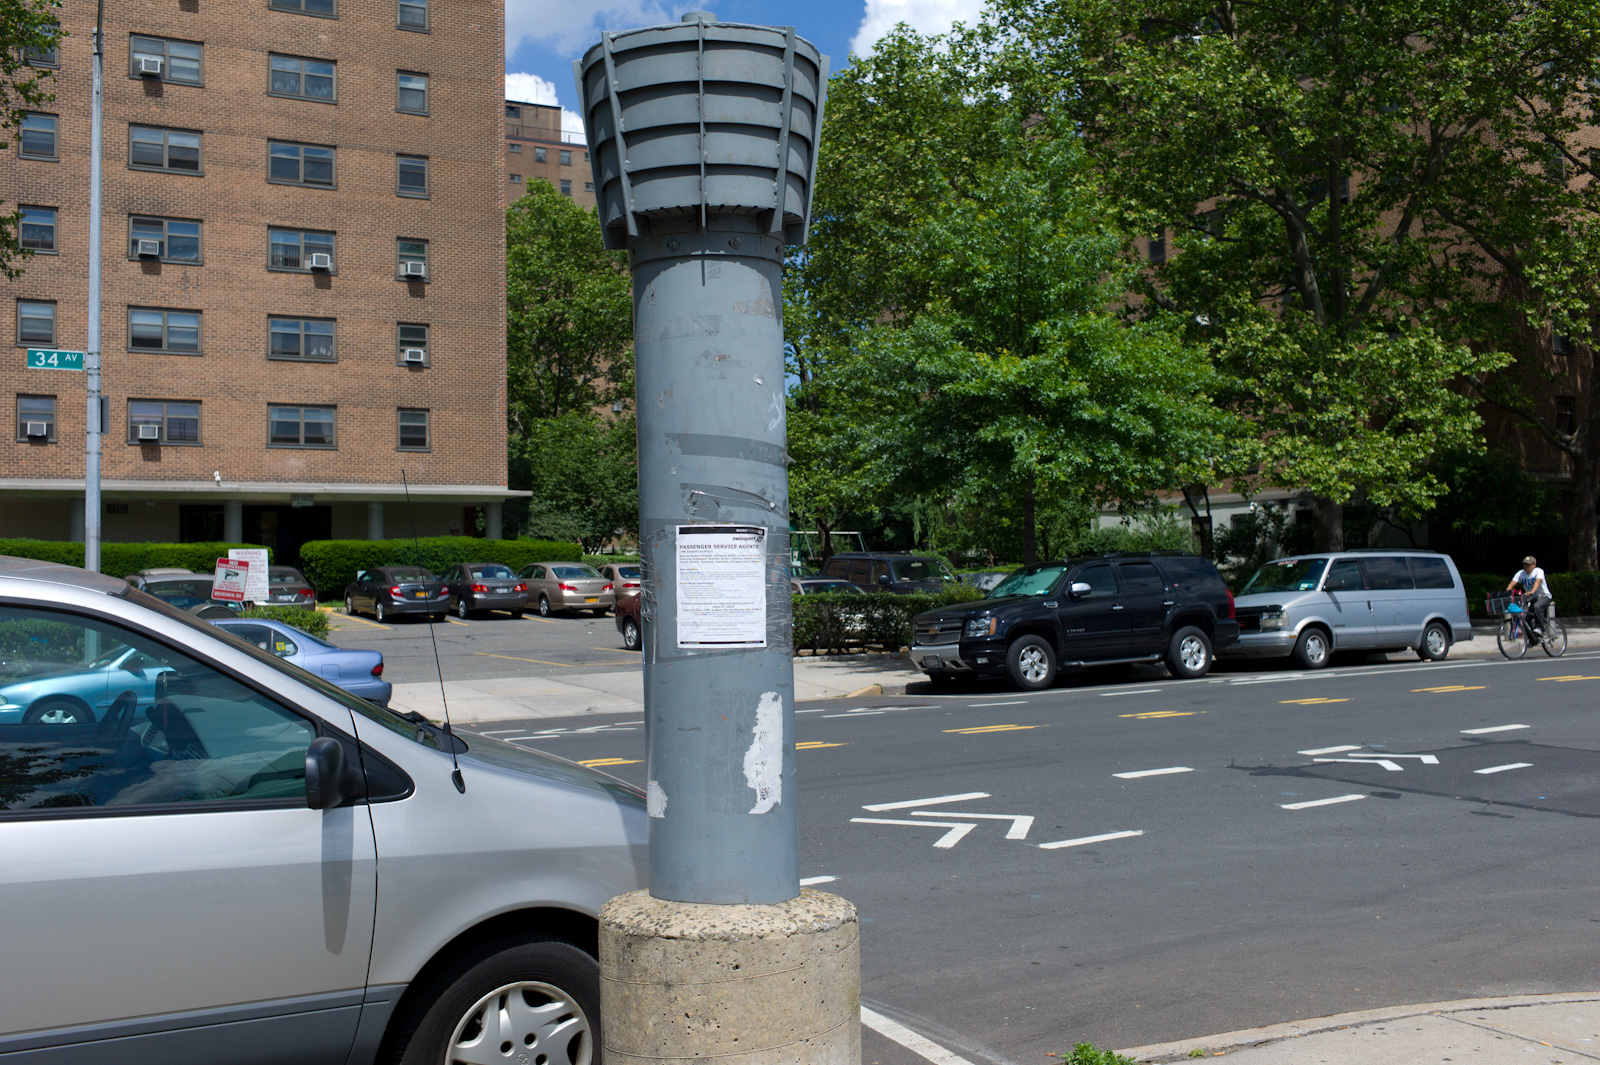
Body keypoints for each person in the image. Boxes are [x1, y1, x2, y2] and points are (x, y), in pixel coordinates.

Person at [1506, 556, 1553, 635]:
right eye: (1524, 564)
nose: (1526, 566)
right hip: (1532, 598)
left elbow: (1537, 582)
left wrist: (1532, 591)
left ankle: (1540, 628)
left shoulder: (1538, 571)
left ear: (1534, 565)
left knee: (1537, 607)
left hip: (1544, 596)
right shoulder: (1521, 573)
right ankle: (1532, 638)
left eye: (1528, 564)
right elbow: (1512, 584)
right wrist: (1506, 593)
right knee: (1524, 617)